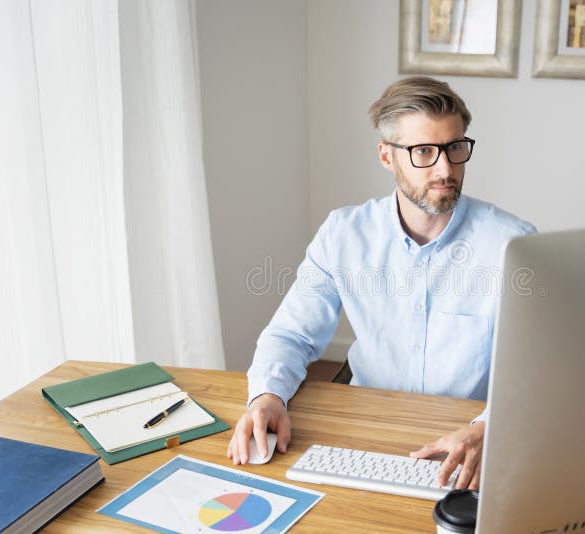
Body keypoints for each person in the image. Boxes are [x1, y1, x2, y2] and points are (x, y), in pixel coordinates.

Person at [227, 76, 537, 490]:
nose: (446, 169)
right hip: (366, 428)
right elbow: (290, 333)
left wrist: (490, 426)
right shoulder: (344, 234)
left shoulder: (513, 244)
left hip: (469, 441)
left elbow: (540, 367)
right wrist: (267, 396)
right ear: (387, 157)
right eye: (424, 151)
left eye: (455, 148)